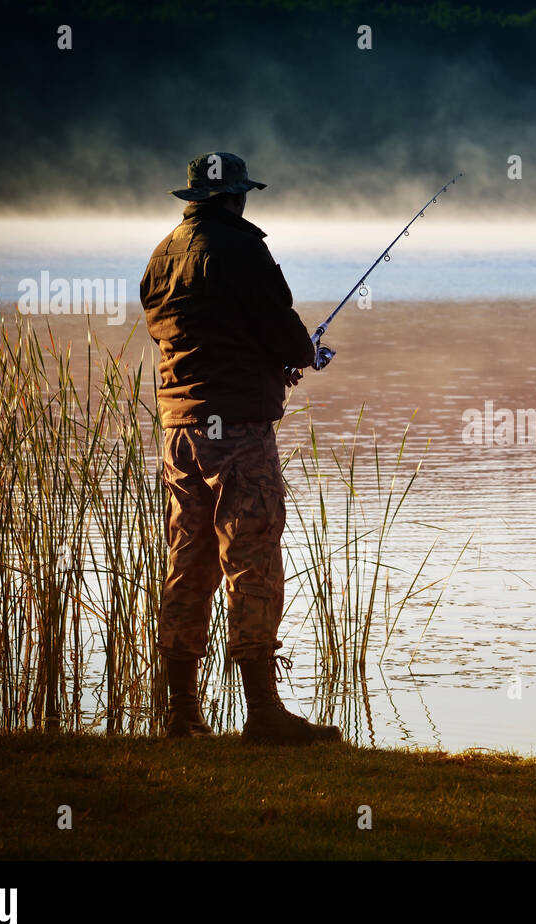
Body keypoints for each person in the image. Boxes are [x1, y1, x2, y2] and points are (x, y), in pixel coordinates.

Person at [140, 151, 340, 745]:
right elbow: (277, 327)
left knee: (189, 557)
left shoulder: (163, 254)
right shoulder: (241, 248)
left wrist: (266, 359)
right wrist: (302, 355)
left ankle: (180, 714)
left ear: (193, 196)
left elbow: (183, 333)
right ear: (237, 196)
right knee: (252, 553)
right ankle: (263, 714)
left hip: (181, 427)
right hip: (238, 430)